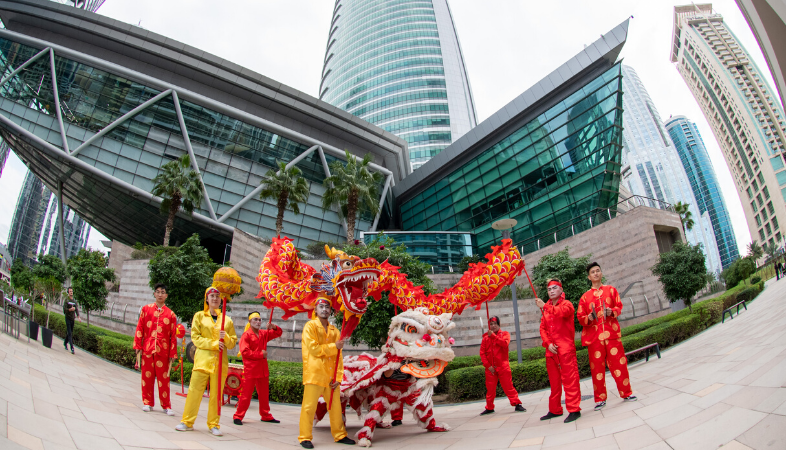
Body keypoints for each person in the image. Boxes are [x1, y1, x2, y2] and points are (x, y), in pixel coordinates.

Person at [176, 286, 238, 436]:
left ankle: (213, 424)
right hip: (202, 361)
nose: (215, 298)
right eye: (212, 296)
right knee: (194, 391)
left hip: (219, 363)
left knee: (216, 395)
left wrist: (226, 337)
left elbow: (232, 343)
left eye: (217, 296)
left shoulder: (227, 320)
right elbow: (196, 338)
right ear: (207, 299)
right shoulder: (199, 316)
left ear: (221, 299)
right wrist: (214, 344)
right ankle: (187, 421)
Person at [577, 262, 637, 410]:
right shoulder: (585, 297)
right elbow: (580, 317)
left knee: (620, 364)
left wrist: (613, 311)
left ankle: (626, 393)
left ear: (601, 273)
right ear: (589, 277)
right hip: (595, 338)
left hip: (611, 334)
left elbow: (619, 306)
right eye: (593, 272)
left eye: (598, 271)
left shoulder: (611, 290)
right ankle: (599, 399)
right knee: (596, 369)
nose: (596, 273)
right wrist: (589, 318)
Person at [298, 298, 355, 448]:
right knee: (309, 407)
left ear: (331, 311)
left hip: (331, 376)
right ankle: (305, 437)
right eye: (321, 307)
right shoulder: (310, 326)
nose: (324, 309)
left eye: (327, 307)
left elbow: (339, 357)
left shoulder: (335, 331)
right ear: (315, 310)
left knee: (335, 406)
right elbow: (314, 349)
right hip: (315, 373)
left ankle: (340, 434)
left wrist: (339, 377)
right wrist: (333, 346)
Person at [536, 279, 581, 423]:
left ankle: (574, 409)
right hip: (551, 351)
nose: (551, 291)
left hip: (565, 349)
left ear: (561, 290)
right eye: (549, 289)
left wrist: (545, 307)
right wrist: (547, 343)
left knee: (570, 380)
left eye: (555, 288)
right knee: (554, 383)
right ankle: (555, 409)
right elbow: (542, 328)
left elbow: (562, 313)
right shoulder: (546, 308)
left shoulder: (566, 304)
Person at [133, 283, 178, 415]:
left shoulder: (171, 314)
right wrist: (138, 345)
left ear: (166, 295)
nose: (160, 294)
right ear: (154, 294)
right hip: (147, 349)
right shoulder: (146, 310)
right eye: (157, 292)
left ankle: (166, 405)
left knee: (164, 379)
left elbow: (173, 336)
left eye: (162, 292)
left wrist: (172, 353)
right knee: (147, 377)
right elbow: (140, 328)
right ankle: (147, 402)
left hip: (163, 352)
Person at [233, 311, 283, 425]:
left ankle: (265, 415)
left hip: (263, 370)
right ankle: (238, 416)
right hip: (251, 370)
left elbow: (278, 333)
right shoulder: (246, 335)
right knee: (246, 395)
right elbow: (245, 352)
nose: (258, 322)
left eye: (259, 320)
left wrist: (274, 327)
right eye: (255, 319)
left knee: (264, 395)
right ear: (250, 321)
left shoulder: (264, 334)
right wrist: (261, 354)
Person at [479, 316, 526, 415]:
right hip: (490, 368)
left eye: (495, 323)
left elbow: (504, 344)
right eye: (491, 324)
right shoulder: (485, 338)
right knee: (490, 389)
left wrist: (493, 336)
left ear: (499, 324)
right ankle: (489, 407)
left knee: (508, 386)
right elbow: (482, 353)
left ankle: (517, 403)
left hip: (503, 366)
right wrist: (488, 366)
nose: (493, 326)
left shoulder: (505, 334)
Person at [63, 287, 80, 354]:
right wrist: (70, 310)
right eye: (70, 291)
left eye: (72, 291)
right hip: (67, 318)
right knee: (70, 333)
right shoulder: (66, 300)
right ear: (68, 292)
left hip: (72, 319)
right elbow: (64, 310)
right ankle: (72, 348)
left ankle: (65, 342)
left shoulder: (74, 301)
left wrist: (78, 317)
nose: (71, 292)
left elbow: (76, 309)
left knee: (70, 332)